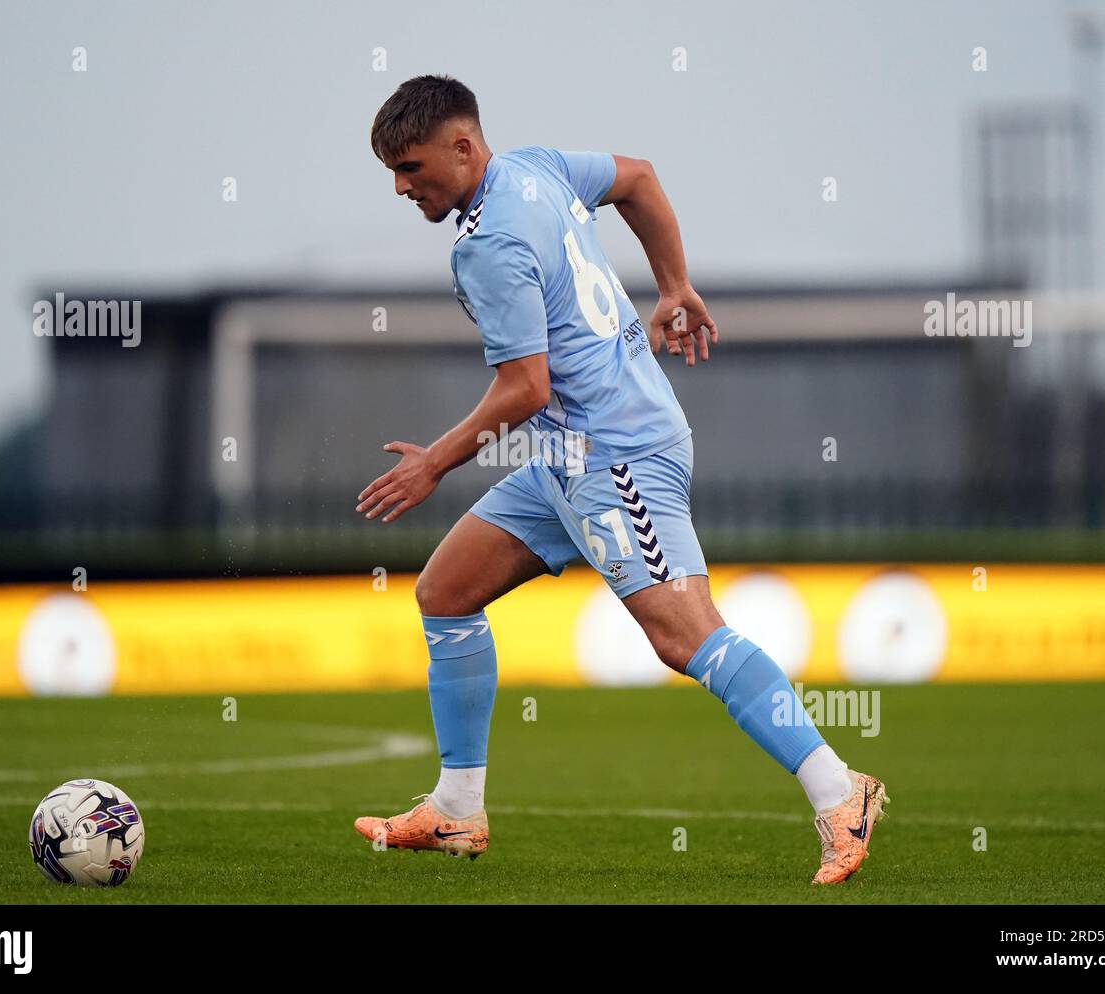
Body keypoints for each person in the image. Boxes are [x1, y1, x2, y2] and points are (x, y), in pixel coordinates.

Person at [353, 75, 887, 883]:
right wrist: (674, 284)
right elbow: (638, 175)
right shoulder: (535, 168)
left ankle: (840, 790)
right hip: (571, 458)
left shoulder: (488, 245)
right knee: (446, 592)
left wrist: (436, 460)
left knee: (686, 637)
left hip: (614, 455)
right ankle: (458, 811)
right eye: (391, 170)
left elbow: (526, 388)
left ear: (462, 148)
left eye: (410, 166)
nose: (400, 185)